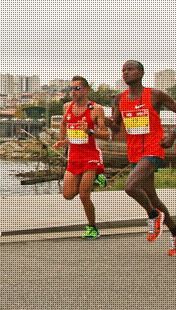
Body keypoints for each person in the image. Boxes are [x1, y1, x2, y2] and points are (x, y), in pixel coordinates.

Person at [104, 60, 176, 256]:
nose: (126, 72)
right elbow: (117, 127)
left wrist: (173, 134)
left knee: (130, 186)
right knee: (152, 197)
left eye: (131, 69)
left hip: (154, 148)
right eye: (123, 69)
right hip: (134, 151)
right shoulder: (120, 98)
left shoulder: (155, 94)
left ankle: (153, 215)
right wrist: (104, 120)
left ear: (142, 73)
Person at [54, 76, 111, 240]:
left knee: (84, 195)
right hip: (74, 157)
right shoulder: (67, 107)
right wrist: (63, 140)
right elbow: (64, 123)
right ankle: (98, 177)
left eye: (76, 89)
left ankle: (92, 228)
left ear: (86, 90)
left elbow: (106, 135)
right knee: (68, 194)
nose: (72, 92)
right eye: (70, 89)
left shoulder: (96, 109)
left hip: (90, 156)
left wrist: (90, 131)